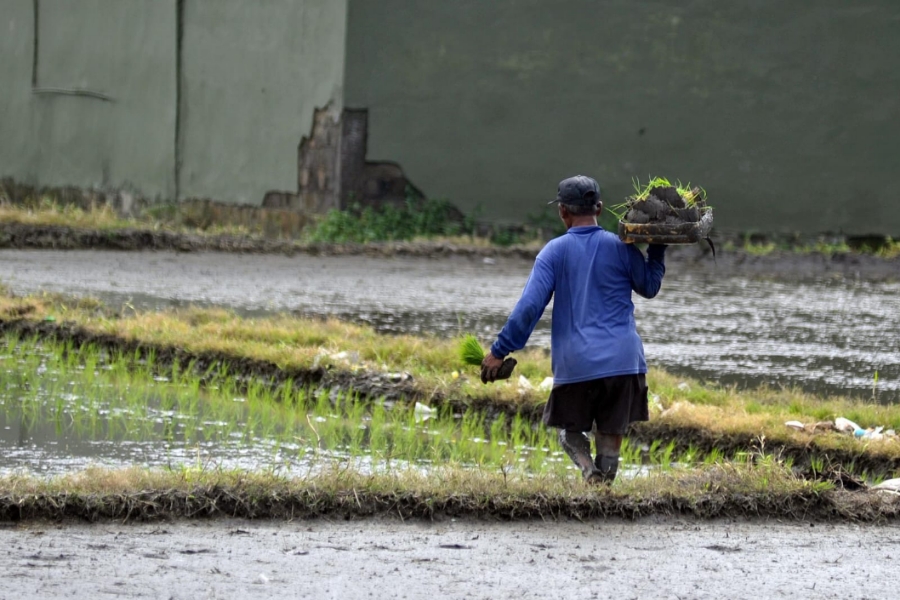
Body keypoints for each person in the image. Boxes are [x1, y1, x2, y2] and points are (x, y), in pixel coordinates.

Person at [480, 175, 667, 483]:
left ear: (562, 211)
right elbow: (649, 286)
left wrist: (500, 350)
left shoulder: (553, 252)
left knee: (569, 433)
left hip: (577, 363)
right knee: (610, 435)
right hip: (624, 363)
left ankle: (588, 472)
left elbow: (529, 307)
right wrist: (658, 248)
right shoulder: (622, 247)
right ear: (600, 208)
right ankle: (602, 489)